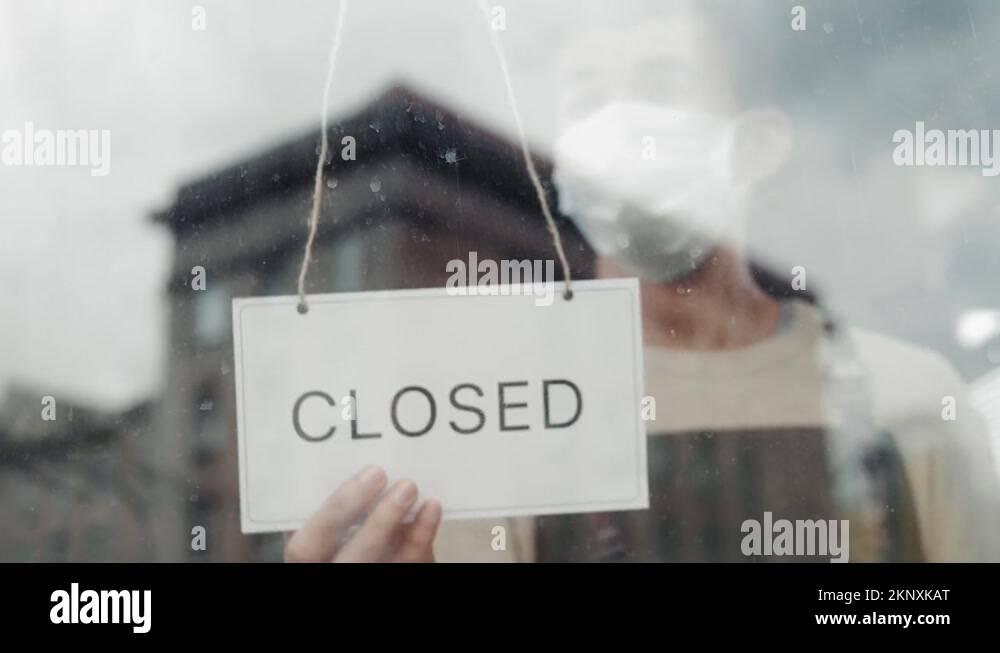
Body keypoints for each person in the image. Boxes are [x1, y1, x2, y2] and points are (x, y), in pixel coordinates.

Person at [285, 5, 1000, 563]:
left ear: (754, 144)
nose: (622, 129)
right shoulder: (488, 414)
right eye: (587, 100)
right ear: (560, 165)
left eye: (661, 86)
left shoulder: (907, 398)